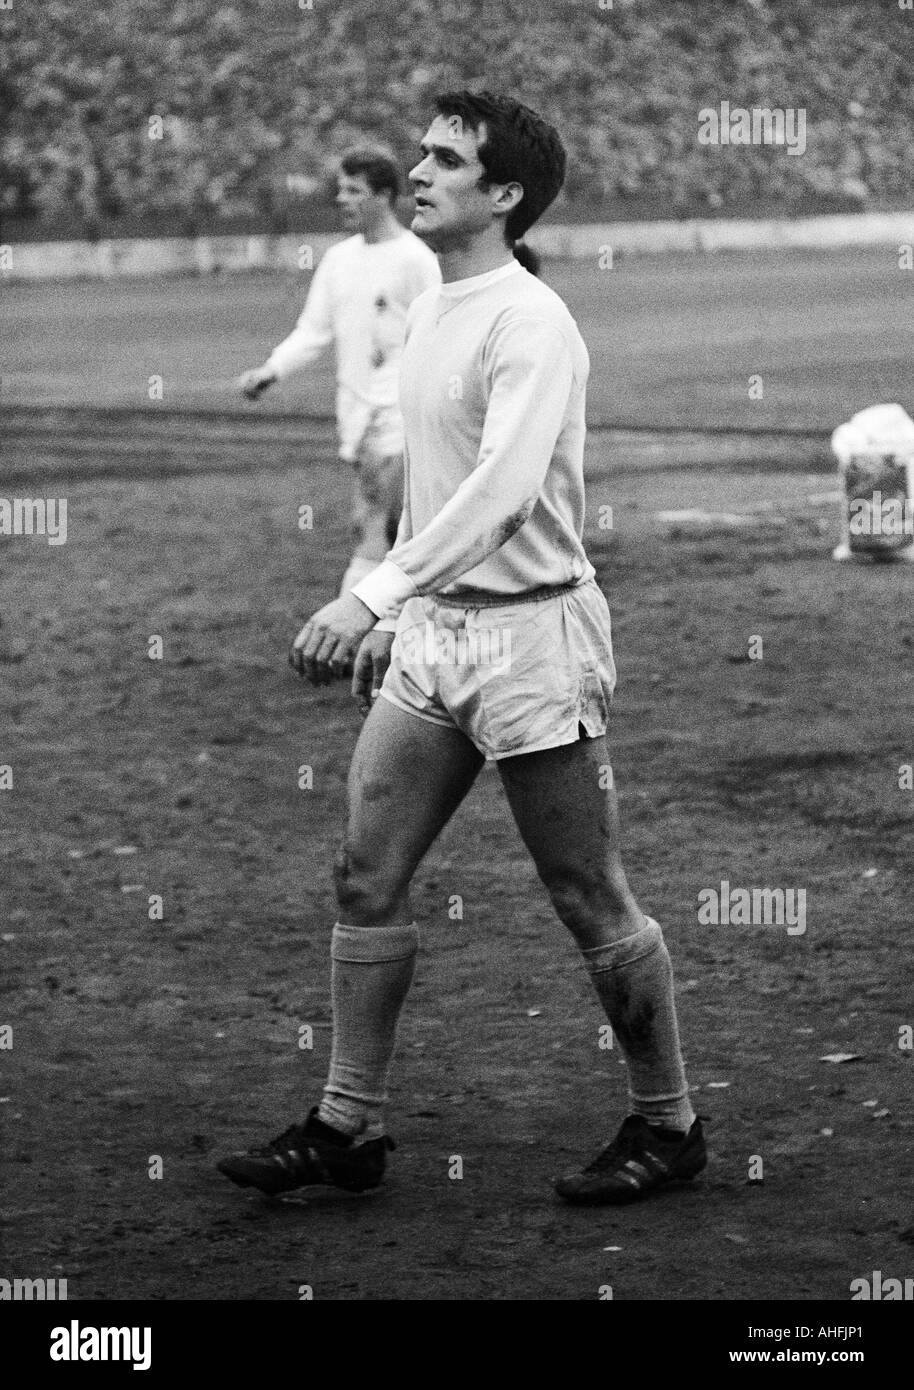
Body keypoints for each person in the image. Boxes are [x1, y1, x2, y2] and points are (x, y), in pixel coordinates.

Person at [219, 91, 706, 1207]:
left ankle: (668, 1122)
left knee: (586, 893)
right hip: (434, 638)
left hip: (532, 638)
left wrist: (367, 590)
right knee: (364, 870)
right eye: (423, 153)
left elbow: (499, 493)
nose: (419, 170)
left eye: (447, 160)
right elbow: (434, 484)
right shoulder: (438, 304)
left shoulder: (529, 320)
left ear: (503, 196)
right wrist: (397, 610)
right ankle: (348, 1124)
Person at [239, 145, 441, 596]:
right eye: (340, 190)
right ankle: (405, 621)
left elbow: (442, 335)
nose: (342, 199)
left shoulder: (417, 261)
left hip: (400, 411)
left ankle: (353, 634)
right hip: (355, 408)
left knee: (368, 519)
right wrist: (271, 370)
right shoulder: (338, 260)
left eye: (354, 191)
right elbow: (312, 331)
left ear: (385, 196)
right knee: (394, 524)